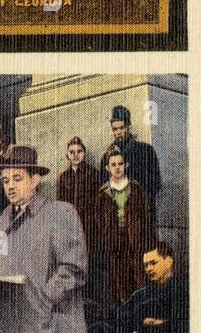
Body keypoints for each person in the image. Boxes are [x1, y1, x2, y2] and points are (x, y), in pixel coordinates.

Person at [0, 146, 92, 333]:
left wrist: (43, 300)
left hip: (53, 332)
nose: (10, 186)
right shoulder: (0, 224)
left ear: (35, 179)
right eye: (5, 180)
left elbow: (74, 268)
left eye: (17, 178)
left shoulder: (59, 213)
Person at [89, 242, 188, 333]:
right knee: (97, 330)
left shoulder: (183, 289)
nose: (148, 268)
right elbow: (120, 314)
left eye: (153, 263)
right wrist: (140, 320)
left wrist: (159, 324)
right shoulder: (143, 292)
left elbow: (182, 325)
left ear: (169, 260)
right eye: (146, 265)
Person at [93, 148, 156, 304]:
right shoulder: (103, 193)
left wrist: (143, 239)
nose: (117, 168)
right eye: (113, 165)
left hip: (135, 241)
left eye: (120, 163)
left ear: (126, 165)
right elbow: (99, 221)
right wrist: (108, 238)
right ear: (108, 168)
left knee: (139, 278)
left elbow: (145, 216)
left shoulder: (135, 188)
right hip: (115, 244)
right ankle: (124, 316)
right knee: (120, 282)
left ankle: (141, 311)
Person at [98, 106, 161, 212]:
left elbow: (155, 183)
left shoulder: (146, 150)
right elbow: (103, 189)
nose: (118, 132)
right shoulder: (106, 158)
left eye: (122, 128)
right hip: (117, 215)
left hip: (141, 213)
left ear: (129, 127)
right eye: (115, 129)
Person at [57, 136, 100, 259]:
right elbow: (60, 205)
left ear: (84, 153)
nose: (75, 155)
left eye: (79, 151)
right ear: (67, 155)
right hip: (70, 226)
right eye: (72, 152)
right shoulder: (63, 177)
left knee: (90, 258)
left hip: (90, 226)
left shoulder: (93, 174)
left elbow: (98, 202)